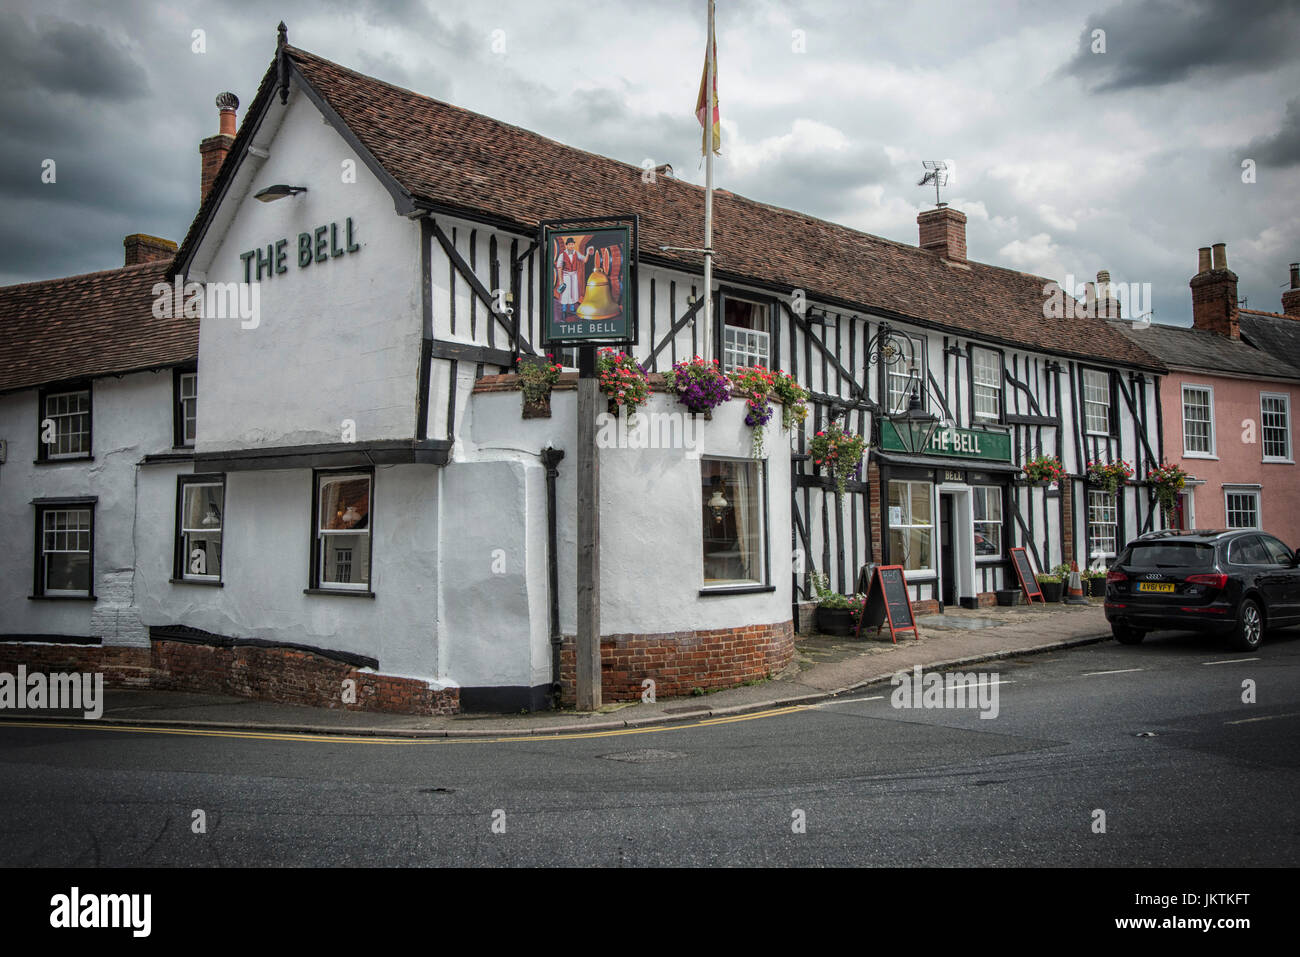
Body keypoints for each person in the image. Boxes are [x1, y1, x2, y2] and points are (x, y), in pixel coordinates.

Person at [555, 237, 593, 319]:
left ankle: (572, 309)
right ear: (567, 245)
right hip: (566, 275)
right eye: (570, 244)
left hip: (574, 275)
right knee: (565, 293)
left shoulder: (576, 253)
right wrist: (561, 280)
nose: (571, 246)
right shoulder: (562, 255)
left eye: (572, 244)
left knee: (574, 292)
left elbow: (585, 260)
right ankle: (564, 310)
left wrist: (587, 253)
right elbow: (559, 267)